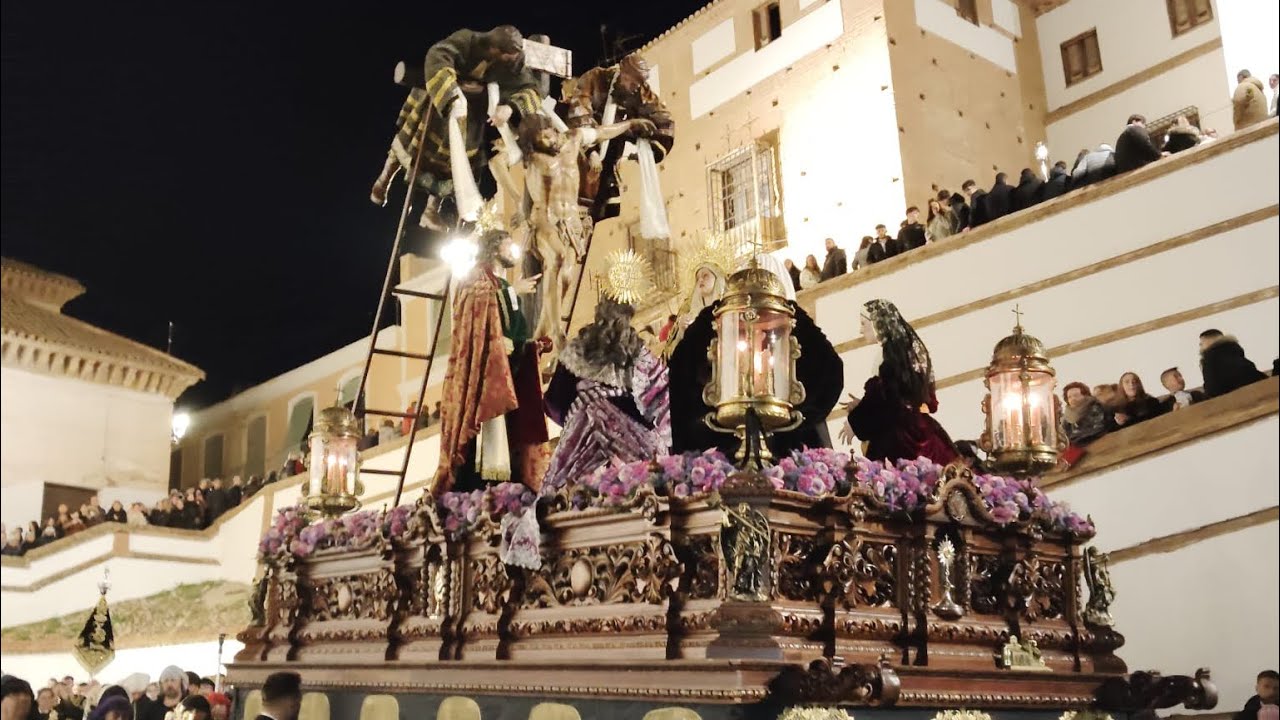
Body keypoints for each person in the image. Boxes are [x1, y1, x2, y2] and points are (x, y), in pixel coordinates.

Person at [668, 254, 843, 459]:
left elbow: (828, 373)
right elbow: (681, 378)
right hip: (734, 444)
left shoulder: (792, 318)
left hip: (765, 446)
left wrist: (797, 418)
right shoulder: (711, 319)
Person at [369, 26, 541, 230]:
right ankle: (384, 179)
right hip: (440, 103)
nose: (512, 59)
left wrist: (510, 108)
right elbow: (438, 55)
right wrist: (452, 95)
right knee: (409, 144)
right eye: (509, 54)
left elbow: (531, 89)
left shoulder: (511, 62)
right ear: (496, 49)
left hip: (471, 116)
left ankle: (430, 211)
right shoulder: (467, 40)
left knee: (452, 163)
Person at [515, 111, 657, 350]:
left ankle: (542, 331)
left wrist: (631, 123)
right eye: (540, 141)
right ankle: (557, 332)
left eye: (547, 136)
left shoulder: (573, 139)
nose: (547, 142)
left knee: (568, 275)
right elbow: (522, 177)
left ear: (552, 129)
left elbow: (602, 132)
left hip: (572, 220)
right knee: (556, 259)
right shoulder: (535, 160)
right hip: (546, 220)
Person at [433, 230, 548, 494]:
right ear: (494, 248)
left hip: (507, 367)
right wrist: (510, 293)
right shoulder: (475, 277)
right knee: (488, 425)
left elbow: (514, 327)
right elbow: (474, 312)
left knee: (511, 427)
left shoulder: (501, 284)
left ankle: (510, 479)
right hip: (485, 369)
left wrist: (529, 347)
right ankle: (482, 482)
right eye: (508, 246)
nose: (512, 251)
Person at [543, 297, 671, 490]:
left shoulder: (577, 349)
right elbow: (660, 401)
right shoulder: (639, 353)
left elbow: (555, 401)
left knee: (565, 491)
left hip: (583, 429)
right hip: (629, 435)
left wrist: (572, 414)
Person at [839, 299, 957, 465]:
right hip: (921, 427)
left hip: (900, 437)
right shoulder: (907, 352)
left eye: (863, 324)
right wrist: (863, 405)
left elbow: (885, 397)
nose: (860, 330)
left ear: (877, 324)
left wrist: (855, 421)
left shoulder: (887, 356)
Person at [565, 52, 675, 223]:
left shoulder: (639, 92)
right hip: (581, 154)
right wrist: (591, 151)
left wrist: (651, 150)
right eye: (630, 82)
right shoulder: (595, 78)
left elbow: (663, 120)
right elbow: (579, 114)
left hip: (609, 159)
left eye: (637, 84)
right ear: (621, 72)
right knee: (575, 204)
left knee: (600, 209)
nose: (633, 87)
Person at [662, 262, 727, 359]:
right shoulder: (688, 314)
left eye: (705, 276)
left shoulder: (727, 308)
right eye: (697, 278)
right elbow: (670, 356)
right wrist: (681, 332)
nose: (700, 280)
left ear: (717, 278)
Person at [1199, 329, 1265, 397]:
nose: (1200, 347)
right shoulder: (1235, 351)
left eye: (1201, 344)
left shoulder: (1210, 360)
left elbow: (1213, 389)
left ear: (1209, 341)